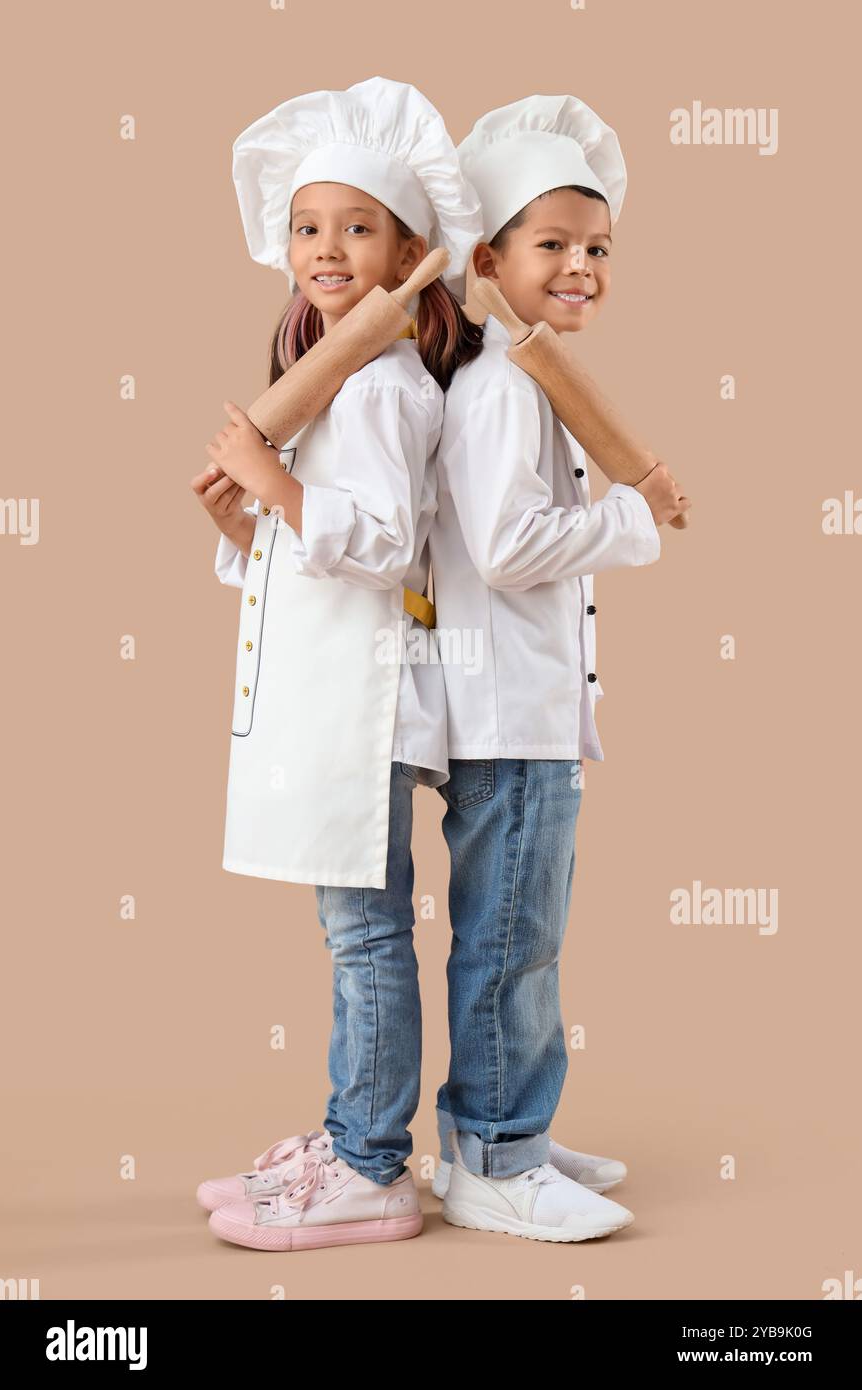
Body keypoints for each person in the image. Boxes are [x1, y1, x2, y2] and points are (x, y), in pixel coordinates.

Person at [189, 76, 482, 1253]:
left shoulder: (386, 384)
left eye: (356, 226)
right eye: (307, 225)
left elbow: (376, 541)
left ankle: (367, 1163)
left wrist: (273, 486)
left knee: (364, 935)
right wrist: (244, 524)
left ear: (409, 249)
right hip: (324, 691)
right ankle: (348, 1134)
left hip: (363, 700)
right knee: (348, 931)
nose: (324, 247)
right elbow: (303, 547)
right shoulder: (337, 375)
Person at [428, 93, 691, 1242]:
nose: (581, 266)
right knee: (509, 941)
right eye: (552, 246)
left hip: (528, 713)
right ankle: (494, 1154)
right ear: (486, 259)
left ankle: (507, 1131)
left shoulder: (530, 381)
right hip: (505, 717)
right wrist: (634, 520)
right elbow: (508, 546)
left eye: (597, 249)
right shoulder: (499, 391)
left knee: (522, 934)